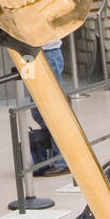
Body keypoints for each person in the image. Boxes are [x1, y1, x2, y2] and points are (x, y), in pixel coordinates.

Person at [28, 39, 69, 177]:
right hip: (31, 54)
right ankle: (49, 156)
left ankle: (63, 160)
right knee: (39, 112)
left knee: (53, 111)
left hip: (47, 53)